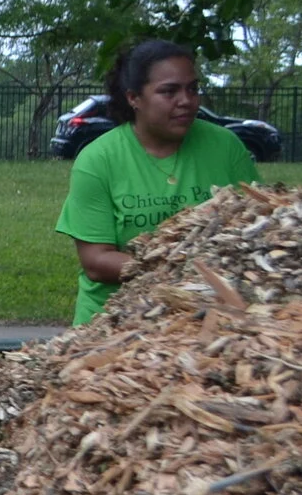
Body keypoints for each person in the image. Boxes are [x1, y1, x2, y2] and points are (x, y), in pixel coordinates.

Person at [56, 39, 259, 325]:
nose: (186, 100)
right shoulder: (98, 160)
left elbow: (254, 230)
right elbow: (96, 263)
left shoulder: (226, 147)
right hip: (114, 323)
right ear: (133, 98)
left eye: (192, 88)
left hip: (209, 320)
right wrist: (182, 270)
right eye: (169, 91)